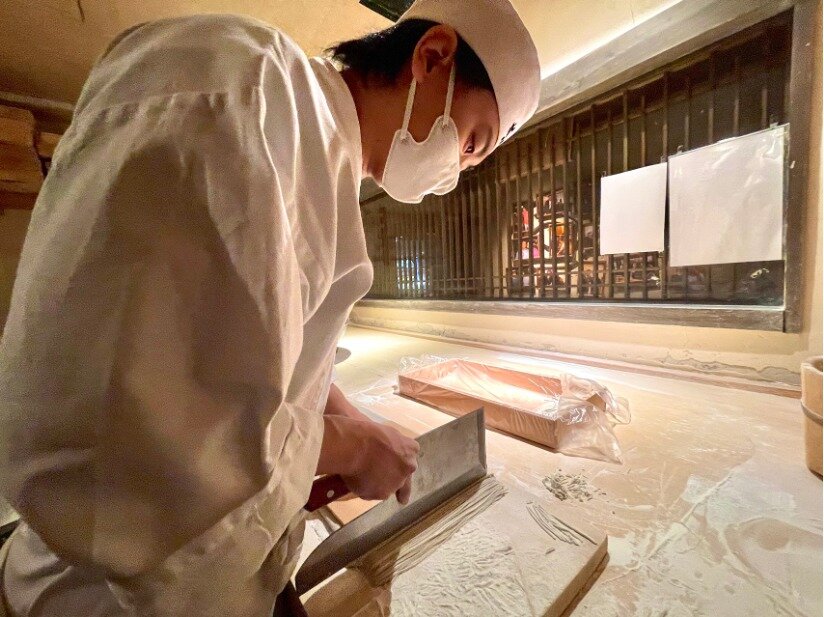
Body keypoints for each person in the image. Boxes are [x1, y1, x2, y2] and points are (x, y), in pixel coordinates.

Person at [0, 0, 540, 614]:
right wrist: (351, 447)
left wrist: (338, 411)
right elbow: (156, 436)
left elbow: (249, 350)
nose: (454, 173)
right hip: (112, 595)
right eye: (470, 142)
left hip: (217, 579)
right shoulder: (247, 89)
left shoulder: (324, 161)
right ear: (432, 58)